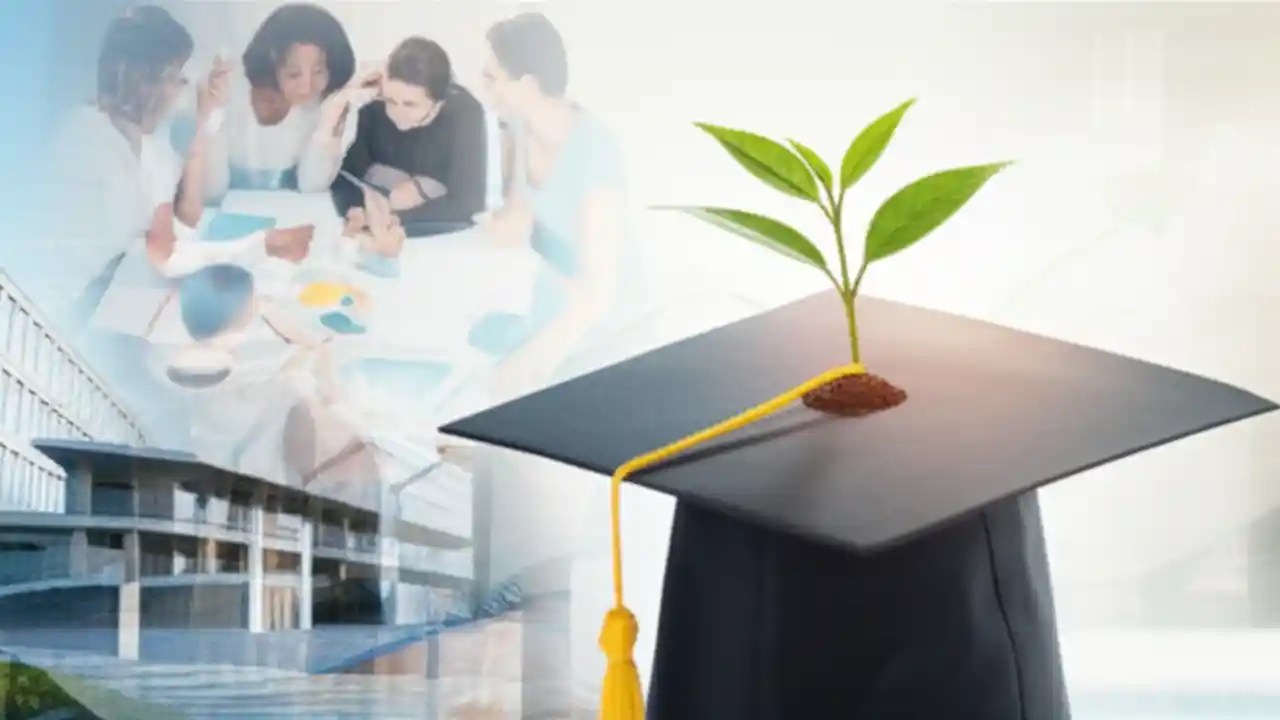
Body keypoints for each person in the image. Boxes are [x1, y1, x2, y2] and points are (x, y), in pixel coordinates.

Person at [47, 5, 311, 333]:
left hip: (120, 298)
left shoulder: (151, 149)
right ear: (134, 76)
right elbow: (165, 255)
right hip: (75, 316)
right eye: (171, 78)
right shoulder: (84, 138)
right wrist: (260, 245)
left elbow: (188, 215)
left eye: (179, 79)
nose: (176, 92)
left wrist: (209, 117)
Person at [476, 12, 644, 396]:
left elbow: (599, 294)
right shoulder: (519, 126)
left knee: (500, 392)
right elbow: (517, 221)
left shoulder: (594, 147)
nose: (484, 85)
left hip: (605, 323)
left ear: (528, 85)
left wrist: (531, 361)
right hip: (553, 296)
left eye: (491, 77)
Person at [310, 36, 488, 237]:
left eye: (410, 104)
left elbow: (468, 205)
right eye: (391, 101)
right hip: (379, 225)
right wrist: (357, 211)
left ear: (439, 103)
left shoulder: (465, 112)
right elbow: (347, 177)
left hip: (432, 235)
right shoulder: (376, 103)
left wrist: (394, 218)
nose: (396, 113)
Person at [201, 2, 357, 198]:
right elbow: (210, 194)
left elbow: (311, 187)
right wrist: (213, 116)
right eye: (293, 74)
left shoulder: (325, 106)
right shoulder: (230, 94)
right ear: (271, 63)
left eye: (319, 72)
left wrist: (327, 126)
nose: (306, 88)